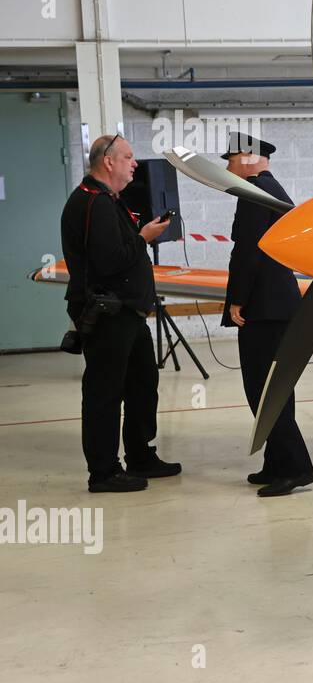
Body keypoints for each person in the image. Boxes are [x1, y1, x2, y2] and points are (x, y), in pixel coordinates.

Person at [61, 134, 182, 493]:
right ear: (108, 161)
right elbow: (110, 260)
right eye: (128, 157)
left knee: (142, 381)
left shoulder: (108, 201)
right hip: (108, 311)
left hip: (127, 311)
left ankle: (140, 454)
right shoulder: (92, 203)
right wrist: (143, 237)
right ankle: (103, 471)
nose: (135, 163)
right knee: (105, 391)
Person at [222, 133, 313, 498]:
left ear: (247, 156)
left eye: (231, 158)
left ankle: (296, 468)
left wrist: (236, 300)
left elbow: (249, 253)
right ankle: (278, 463)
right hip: (277, 305)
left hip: (264, 307)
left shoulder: (256, 194)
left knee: (263, 391)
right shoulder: (272, 189)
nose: (227, 166)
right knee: (272, 390)